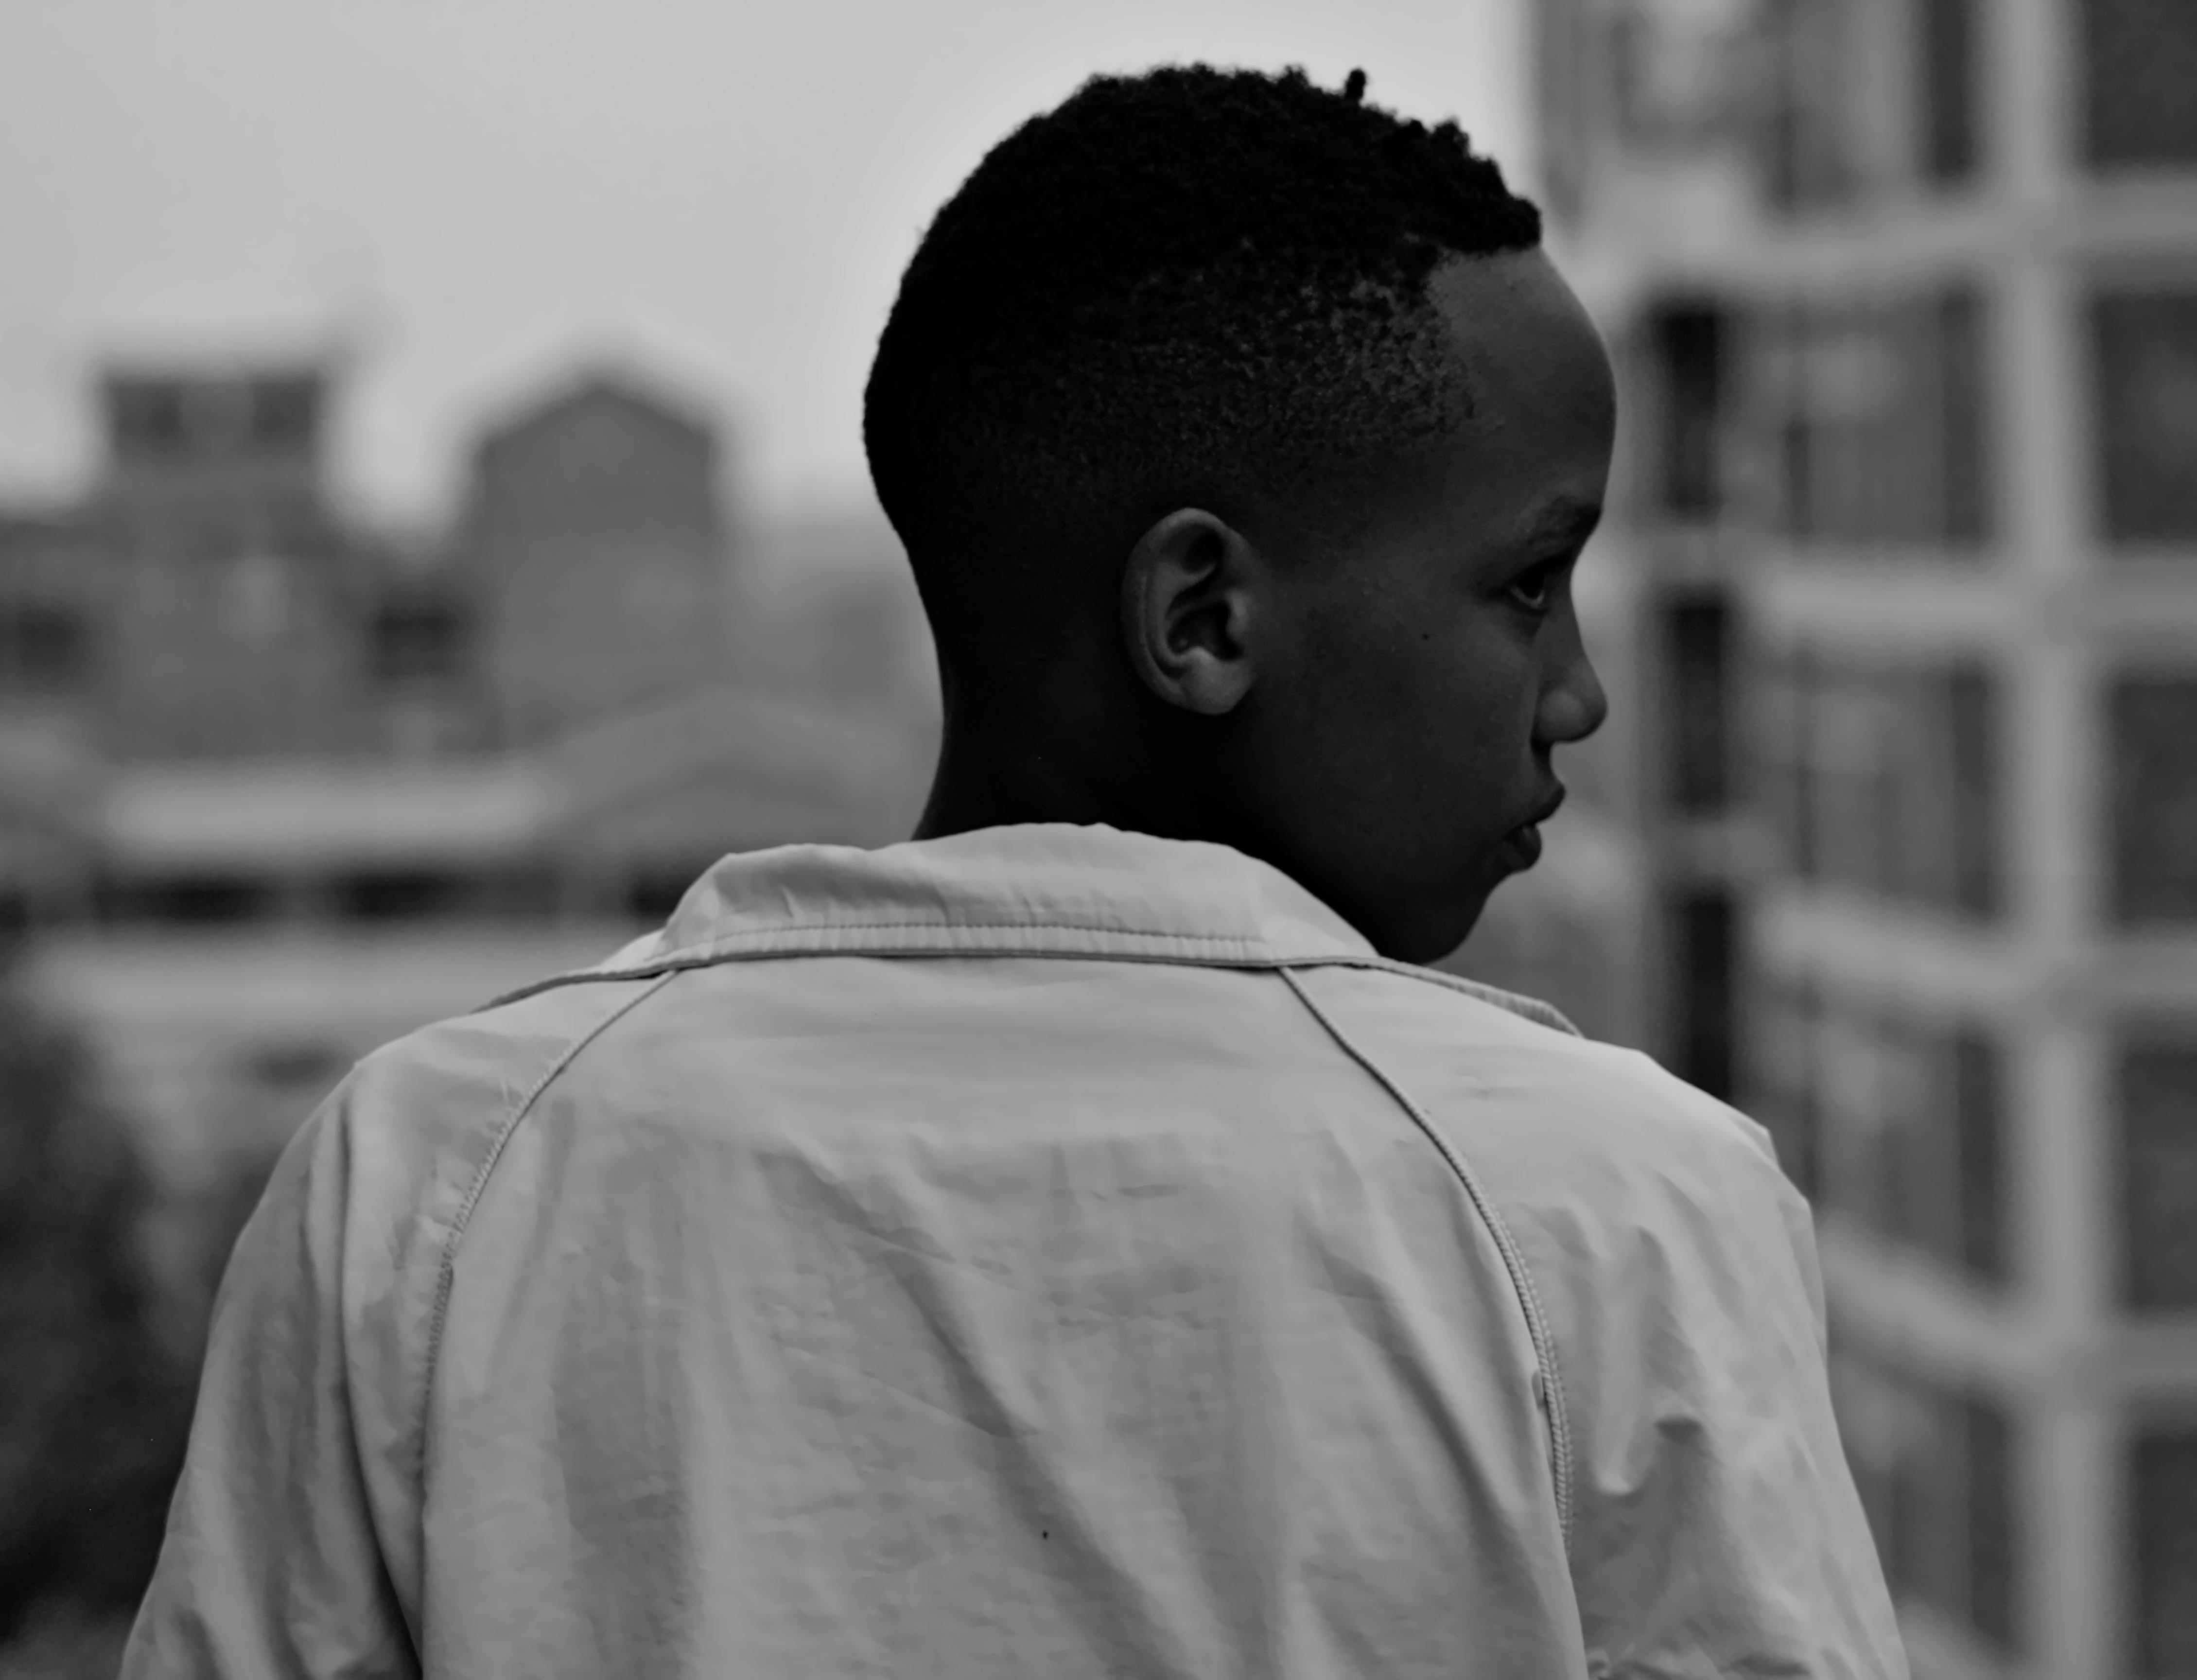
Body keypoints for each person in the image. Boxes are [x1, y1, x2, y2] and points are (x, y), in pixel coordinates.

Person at [122, 66, 1905, 1679]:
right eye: (1528, 584)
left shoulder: (428, 1190)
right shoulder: (1610, 1214)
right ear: (1202, 619)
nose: (1580, 694)